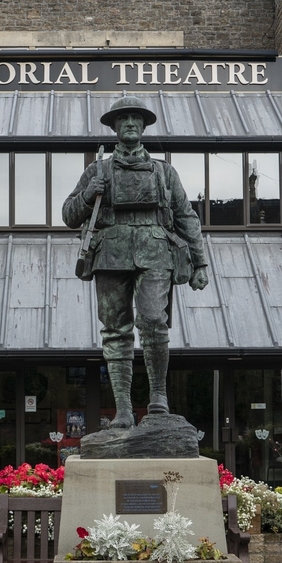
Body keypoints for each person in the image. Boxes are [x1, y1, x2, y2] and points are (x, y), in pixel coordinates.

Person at [62, 96, 208, 427]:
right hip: (110, 254)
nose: (130, 123)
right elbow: (69, 215)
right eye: (123, 118)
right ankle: (124, 409)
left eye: (135, 118)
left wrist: (200, 264)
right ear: (114, 127)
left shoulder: (164, 172)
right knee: (115, 332)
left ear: (143, 126)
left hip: (156, 251)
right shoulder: (96, 170)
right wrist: (88, 195)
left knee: (155, 321)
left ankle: (158, 397)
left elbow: (187, 217)